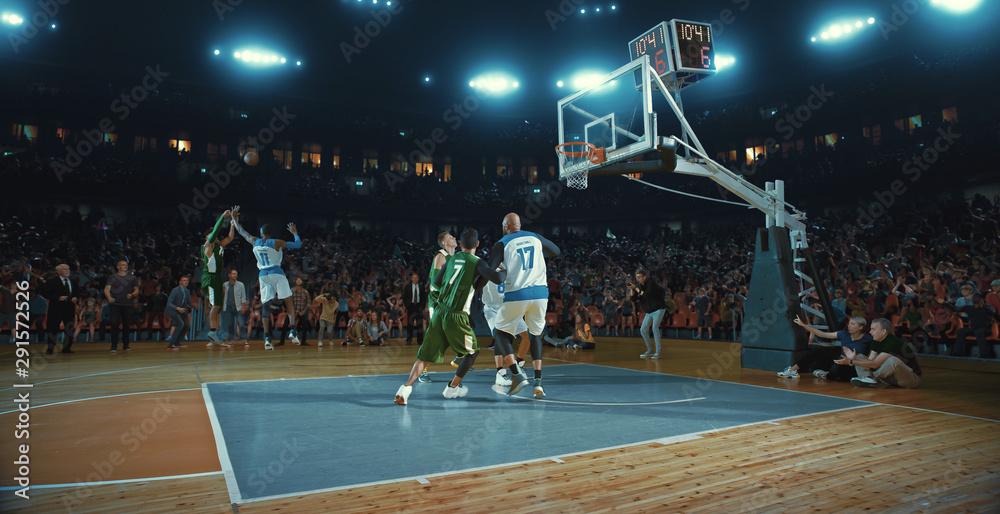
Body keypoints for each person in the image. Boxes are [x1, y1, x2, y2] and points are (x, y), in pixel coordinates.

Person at [394, 228, 506, 405]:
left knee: (423, 357)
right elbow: (498, 279)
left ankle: (405, 389)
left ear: (460, 244)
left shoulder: (451, 258)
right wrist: (503, 270)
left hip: (439, 311)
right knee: (472, 351)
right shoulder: (477, 262)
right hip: (457, 315)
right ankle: (452, 387)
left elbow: (437, 282)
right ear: (477, 244)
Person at [487, 212, 561, 398]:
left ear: (506, 226)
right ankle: (538, 381)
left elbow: (492, 272)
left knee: (500, 333)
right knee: (535, 335)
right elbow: (556, 251)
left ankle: (516, 374)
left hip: (517, 294)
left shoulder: (502, 243)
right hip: (541, 295)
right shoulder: (535, 237)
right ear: (519, 225)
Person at [230, 205, 303, 350]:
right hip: (277, 273)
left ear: (261, 232)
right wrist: (295, 233)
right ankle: (293, 331)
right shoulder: (277, 242)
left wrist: (234, 217)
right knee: (289, 302)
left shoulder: (254, 241)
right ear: (270, 232)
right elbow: (298, 244)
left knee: (266, 306)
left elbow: (241, 231)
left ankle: (267, 339)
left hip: (263, 276)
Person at [784, 315, 873, 381]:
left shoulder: (868, 339)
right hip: (838, 363)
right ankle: (792, 370)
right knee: (817, 350)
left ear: (861, 327)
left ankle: (826, 375)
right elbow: (822, 334)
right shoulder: (843, 334)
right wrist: (803, 325)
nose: (849, 326)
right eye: (849, 323)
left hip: (852, 368)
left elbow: (869, 358)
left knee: (835, 369)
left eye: (853, 324)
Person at [844, 318, 922, 388]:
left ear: (883, 331)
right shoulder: (877, 340)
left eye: (873, 329)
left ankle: (871, 379)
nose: (870, 332)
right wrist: (854, 358)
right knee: (860, 356)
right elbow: (870, 360)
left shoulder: (892, 342)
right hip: (892, 378)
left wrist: (852, 362)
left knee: (892, 361)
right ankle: (868, 379)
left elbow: (875, 364)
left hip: (910, 379)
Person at [481, 277, 529, 388]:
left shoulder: (512, 270)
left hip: (509, 308)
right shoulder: (488, 269)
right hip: (492, 308)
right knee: (499, 335)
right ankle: (500, 372)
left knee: (528, 335)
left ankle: (519, 364)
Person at [202, 210, 236, 345]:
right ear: (207, 237)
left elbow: (230, 238)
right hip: (210, 277)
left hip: (216, 278)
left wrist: (233, 224)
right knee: (216, 305)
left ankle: (214, 333)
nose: (215, 235)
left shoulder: (219, 245)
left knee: (217, 306)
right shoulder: (208, 245)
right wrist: (222, 217)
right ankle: (212, 331)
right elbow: (214, 232)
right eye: (212, 234)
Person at [41, 263, 78, 354]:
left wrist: (76, 297)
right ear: (59, 271)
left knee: (69, 329)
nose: (67, 271)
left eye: (68, 269)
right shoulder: (52, 281)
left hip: (69, 309)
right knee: (53, 329)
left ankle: (66, 348)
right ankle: (50, 348)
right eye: (65, 269)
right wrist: (58, 297)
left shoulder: (73, 281)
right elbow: (46, 293)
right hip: (56, 308)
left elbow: (77, 293)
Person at [104, 260, 139, 353]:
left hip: (127, 304)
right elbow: (107, 288)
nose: (125, 266)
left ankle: (126, 344)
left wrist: (132, 295)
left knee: (126, 325)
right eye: (123, 265)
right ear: (118, 267)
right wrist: (109, 297)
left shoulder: (132, 277)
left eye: (126, 265)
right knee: (114, 324)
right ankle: (114, 345)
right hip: (115, 304)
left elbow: (137, 290)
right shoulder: (112, 277)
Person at [631, 268, 667, 358]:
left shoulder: (650, 283)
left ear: (644, 277)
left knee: (655, 327)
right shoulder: (639, 286)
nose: (638, 279)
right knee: (643, 330)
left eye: (639, 277)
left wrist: (636, 288)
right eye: (637, 278)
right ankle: (650, 349)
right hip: (649, 311)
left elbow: (646, 294)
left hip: (659, 309)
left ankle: (658, 352)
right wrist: (632, 289)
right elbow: (633, 299)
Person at [952, 294, 1000, 358]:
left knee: (979, 331)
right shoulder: (969, 308)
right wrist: (945, 303)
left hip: (986, 330)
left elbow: (996, 317)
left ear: (981, 299)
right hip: (973, 329)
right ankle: (957, 353)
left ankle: (983, 354)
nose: (975, 298)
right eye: (974, 297)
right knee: (960, 331)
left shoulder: (987, 308)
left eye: (977, 297)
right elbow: (955, 309)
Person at [219, 269, 248, 347]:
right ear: (229, 275)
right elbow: (223, 295)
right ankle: (231, 340)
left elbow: (243, 296)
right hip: (228, 307)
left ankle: (244, 340)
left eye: (236, 274)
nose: (235, 275)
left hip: (238, 307)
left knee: (241, 323)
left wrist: (243, 307)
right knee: (230, 324)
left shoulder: (241, 284)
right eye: (233, 274)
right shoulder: (225, 285)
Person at [164, 275, 194, 350]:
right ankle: (171, 344)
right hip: (173, 310)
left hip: (181, 311)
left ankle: (177, 342)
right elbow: (169, 303)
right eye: (184, 280)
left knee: (187, 325)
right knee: (181, 324)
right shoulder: (175, 290)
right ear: (180, 282)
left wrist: (193, 305)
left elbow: (189, 302)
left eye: (187, 280)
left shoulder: (187, 291)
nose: (186, 282)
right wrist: (178, 308)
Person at [402, 272, 426, 346]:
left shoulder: (421, 287)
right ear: (411, 279)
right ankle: (409, 340)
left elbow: (424, 298)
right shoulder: (408, 287)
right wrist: (407, 306)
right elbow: (404, 297)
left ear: (418, 279)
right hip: (411, 306)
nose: (415, 279)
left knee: (419, 324)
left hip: (419, 307)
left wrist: (422, 306)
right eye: (413, 278)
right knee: (410, 324)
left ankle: (420, 340)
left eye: (416, 278)